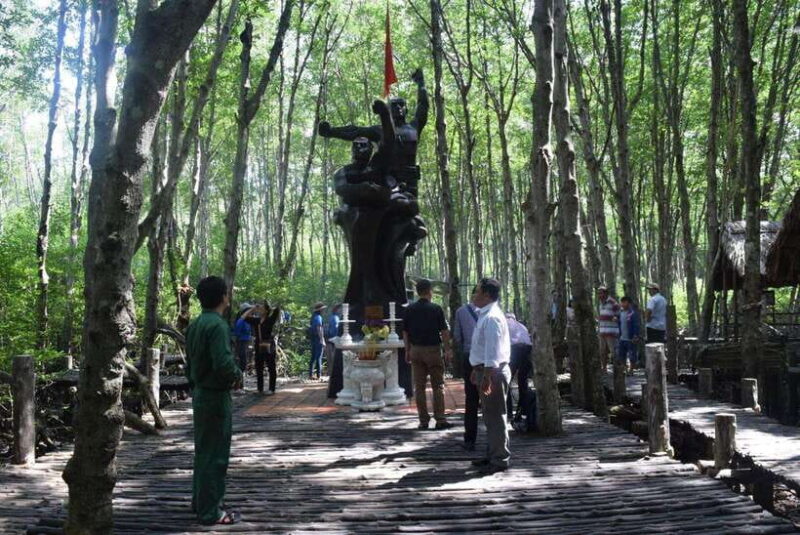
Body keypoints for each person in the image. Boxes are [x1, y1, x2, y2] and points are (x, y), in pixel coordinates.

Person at [186, 276, 243, 526]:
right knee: (216, 454)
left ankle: (200, 502)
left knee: (203, 451)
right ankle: (211, 512)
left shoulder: (195, 324)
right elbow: (223, 363)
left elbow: (190, 363)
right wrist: (237, 375)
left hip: (200, 393)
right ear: (223, 297)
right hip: (215, 396)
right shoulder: (217, 325)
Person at [469, 278, 512, 473]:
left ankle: (499, 460)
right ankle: (492, 454)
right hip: (485, 371)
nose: (474, 295)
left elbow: (492, 352)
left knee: (495, 416)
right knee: (489, 416)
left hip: (492, 373)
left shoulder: (492, 317)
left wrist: (486, 376)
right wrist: (476, 370)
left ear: (487, 295)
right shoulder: (485, 315)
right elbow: (483, 348)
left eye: (476, 291)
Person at [403, 279, 453, 430]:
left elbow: (405, 332)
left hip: (416, 350)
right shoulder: (436, 309)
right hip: (432, 350)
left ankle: (423, 421)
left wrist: (407, 350)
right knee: (438, 385)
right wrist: (447, 349)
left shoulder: (409, 310)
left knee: (419, 387)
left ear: (418, 292)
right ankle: (440, 419)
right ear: (429, 291)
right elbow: (444, 331)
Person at [452, 286, 480, 450]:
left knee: (471, 399)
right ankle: (495, 440)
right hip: (489, 359)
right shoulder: (493, 311)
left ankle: (470, 439)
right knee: (491, 399)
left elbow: (457, 337)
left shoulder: (461, 312)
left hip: (469, 357)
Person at [505, 312, 533, 419]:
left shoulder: (504, 324)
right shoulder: (522, 326)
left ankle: (508, 411)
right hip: (526, 350)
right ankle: (524, 410)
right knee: (523, 381)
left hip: (513, 350)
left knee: (506, 381)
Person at [251, 303, 282, 395]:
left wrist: (270, 307)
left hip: (269, 345)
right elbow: (244, 317)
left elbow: (277, 310)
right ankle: (260, 389)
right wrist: (253, 308)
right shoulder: (256, 320)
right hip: (258, 345)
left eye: (261, 307)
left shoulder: (270, 320)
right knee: (259, 367)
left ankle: (271, 389)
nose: (259, 309)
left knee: (271, 366)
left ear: (266, 310)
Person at [597, 286, 620, 370]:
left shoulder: (613, 303)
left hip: (611, 332)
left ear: (606, 293)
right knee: (602, 351)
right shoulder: (600, 303)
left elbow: (619, 315)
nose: (599, 295)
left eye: (601, 293)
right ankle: (604, 368)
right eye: (598, 293)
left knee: (614, 351)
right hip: (602, 331)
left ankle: (617, 369)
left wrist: (615, 318)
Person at [617, 296, 640, 372]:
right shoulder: (621, 312)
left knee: (632, 355)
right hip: (622, 338)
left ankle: (631, 370)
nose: (622, 304)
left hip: (630, 338)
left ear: (629, 303)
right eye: (622, 302)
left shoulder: (633, 313)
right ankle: (624, 369)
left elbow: (636, 324)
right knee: (621, 354)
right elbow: (620, 323)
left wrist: (636, 335)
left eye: (624, 302)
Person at [232, 303, 256, 373]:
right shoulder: (241, 321)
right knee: (242, 361)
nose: (251, 313)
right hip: (241, 343)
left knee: (247, 362)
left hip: (247, 343)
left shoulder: (249, 321)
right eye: (249, 311)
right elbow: (237, 333)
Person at [309, 302, 326, 380]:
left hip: (313, 339)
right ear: (320, 310)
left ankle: (310, 375)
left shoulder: (313, 317)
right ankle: (319, 376)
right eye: (323, 309)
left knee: (313, 357)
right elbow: (319, 328)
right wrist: (322, 340)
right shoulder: (318, 317)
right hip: (318, 339)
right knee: (319, 357)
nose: (324, 310)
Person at [326, 304, 342, 373]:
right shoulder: (335, 318)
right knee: (333, 356)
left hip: (330, 339)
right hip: (333, 339)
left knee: (331, 356)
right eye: (340, 309)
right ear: (337, 310)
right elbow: (334, 329)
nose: (341, 310)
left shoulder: (333, 317)